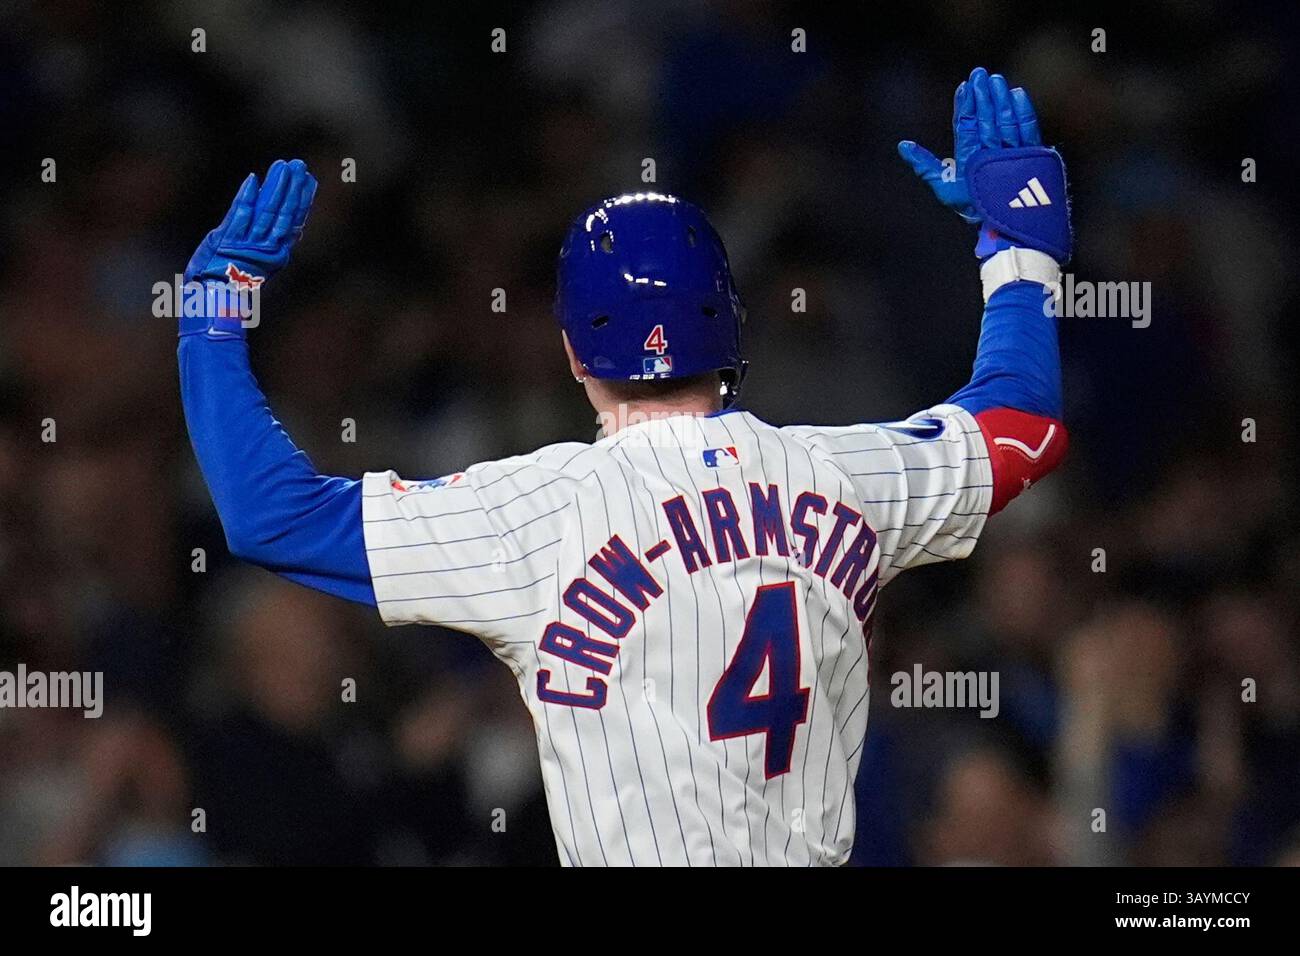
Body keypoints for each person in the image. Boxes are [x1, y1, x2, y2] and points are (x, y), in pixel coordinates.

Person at [178, 67, 1070, 866]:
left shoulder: (535, 513)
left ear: (573, 352)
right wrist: (1016, 251)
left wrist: (213, 315)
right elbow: (1022, 427)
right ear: (732, 328)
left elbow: (272, 515)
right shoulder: (843, 478)